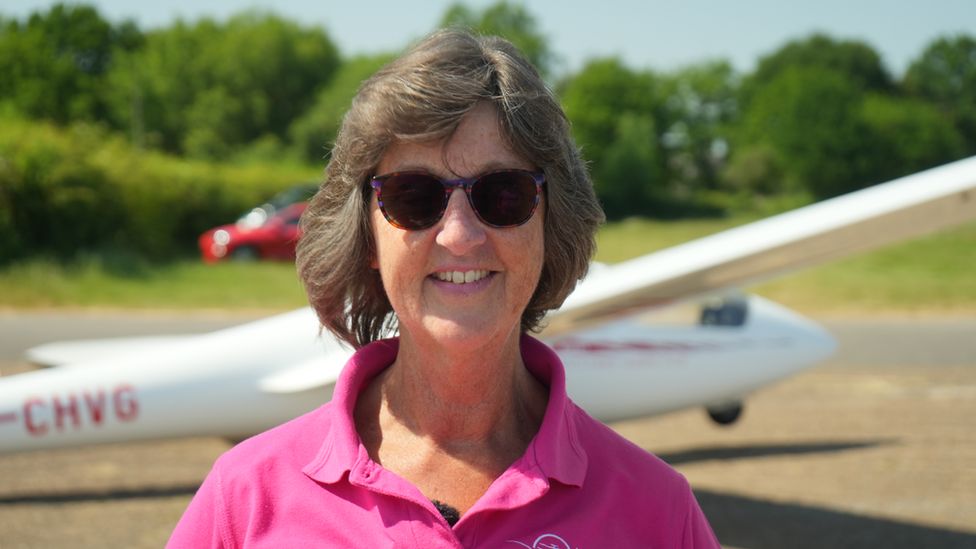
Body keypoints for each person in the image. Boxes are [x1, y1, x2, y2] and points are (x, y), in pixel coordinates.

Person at [169, 29, 720, 548]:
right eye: (413, 197)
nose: (459, 235)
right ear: (367, 237)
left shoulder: (658, 511)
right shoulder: (245, 497)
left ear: (549, 227)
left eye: (504, 194)